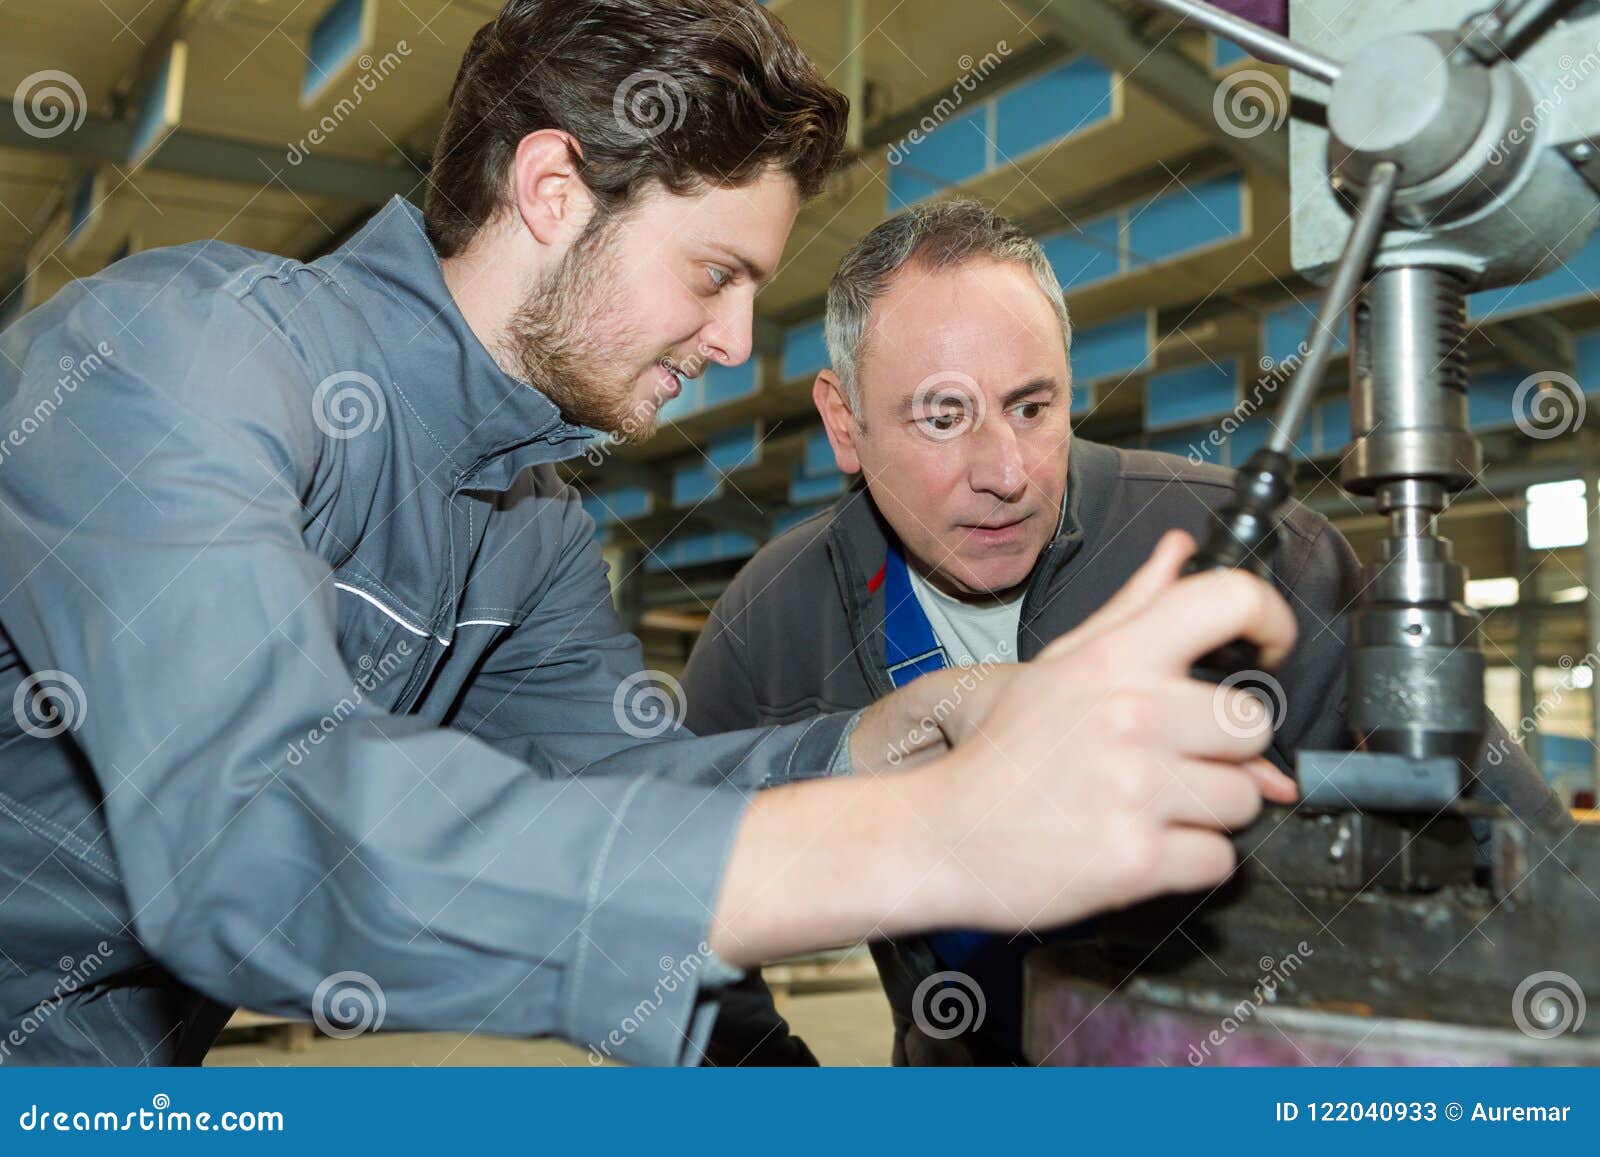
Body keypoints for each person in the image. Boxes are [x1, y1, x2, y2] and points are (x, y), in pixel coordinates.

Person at [0, 3, 1299, 1065]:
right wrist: (936, 833)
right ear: (552, 190)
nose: (735, 341)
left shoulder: (528, 526)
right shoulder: (169, 359)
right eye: (714, 274)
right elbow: (257, 835)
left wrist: (888, 743)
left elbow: (619, 800)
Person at [681, 198, 1570, 1065]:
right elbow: (662, 885)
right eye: (943, 418)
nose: (1006, 473)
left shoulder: (1256, 553)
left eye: (1032, 407)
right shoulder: (771, 621)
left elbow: (1535, 862)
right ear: (845, 421)